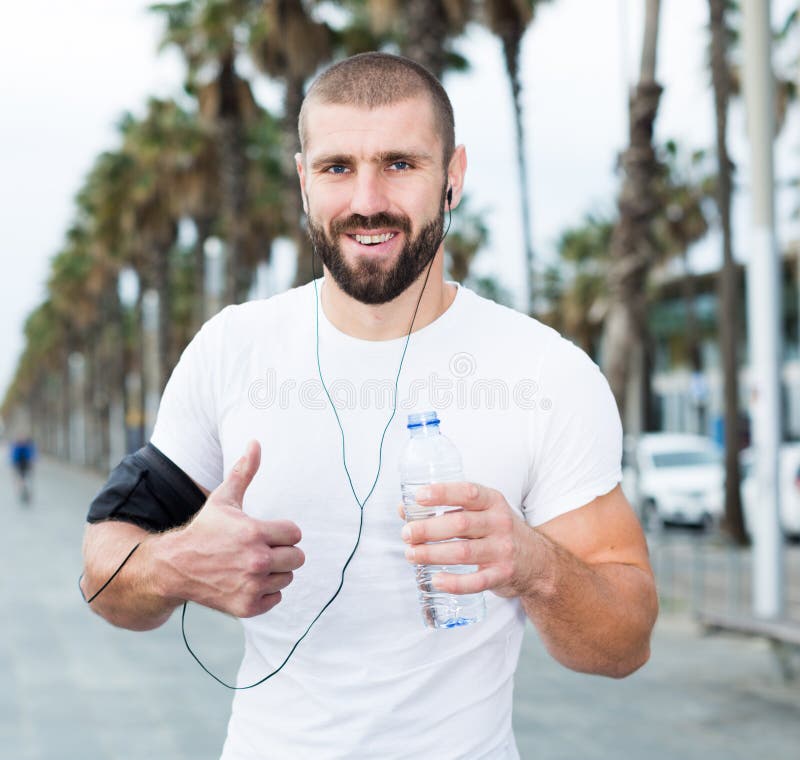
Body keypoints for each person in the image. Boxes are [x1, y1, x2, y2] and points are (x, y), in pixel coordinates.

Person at [81, 52, 658, 759]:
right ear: (302, 179)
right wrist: (176, 565)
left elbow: (627, 640)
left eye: (400, 163)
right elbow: (101, 570)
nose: (366, 200)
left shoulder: (548, 373)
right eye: (337, 168)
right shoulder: (232, 348)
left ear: (453, 176)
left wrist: (534, 565)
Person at [10, 436, 35, 504]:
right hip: (22, 465)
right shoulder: (24, 447)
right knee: (23, 479)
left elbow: (14, 457)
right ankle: (24, 492)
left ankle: (24, 492)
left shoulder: (20, 447)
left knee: (22, 479)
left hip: (22, 465)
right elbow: (30, 456)